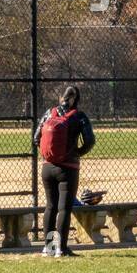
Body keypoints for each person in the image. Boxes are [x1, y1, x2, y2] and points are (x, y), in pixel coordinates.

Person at [34, 86, 96, 257]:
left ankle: (48, 247)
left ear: (61, 96)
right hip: (67, 168)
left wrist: (48, 154)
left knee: (50, 206)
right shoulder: (79, 116)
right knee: (64, 209)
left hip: (47, 167)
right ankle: (61, 247)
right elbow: (90, 141)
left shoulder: (49, 113)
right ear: (76, 99)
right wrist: (77, 153)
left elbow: (35, 138)